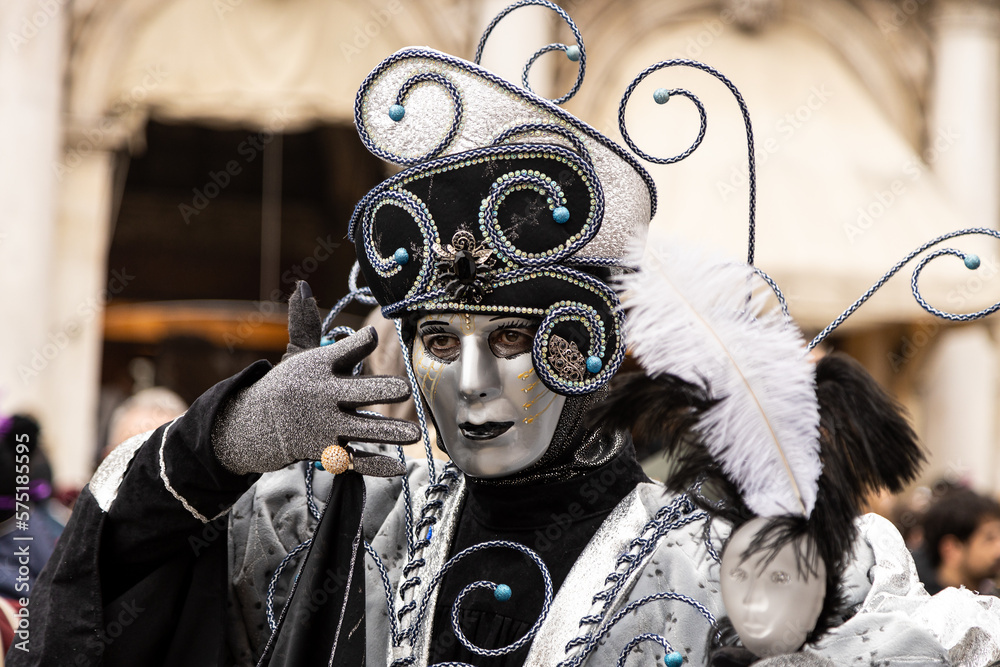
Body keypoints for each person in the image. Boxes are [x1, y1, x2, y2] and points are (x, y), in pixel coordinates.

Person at [13, 3, 1000, 666]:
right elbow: (88, 619)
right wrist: (216, 443)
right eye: (439, 341)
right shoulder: (337, 532)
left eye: (516, 340)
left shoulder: (724, 551)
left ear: (592, 348)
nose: (474, 384)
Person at [913, 486, 1000, 596]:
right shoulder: (920, 606)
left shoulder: (988, 604)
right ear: (951, 549)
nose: (998, 548)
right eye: (990, 538)